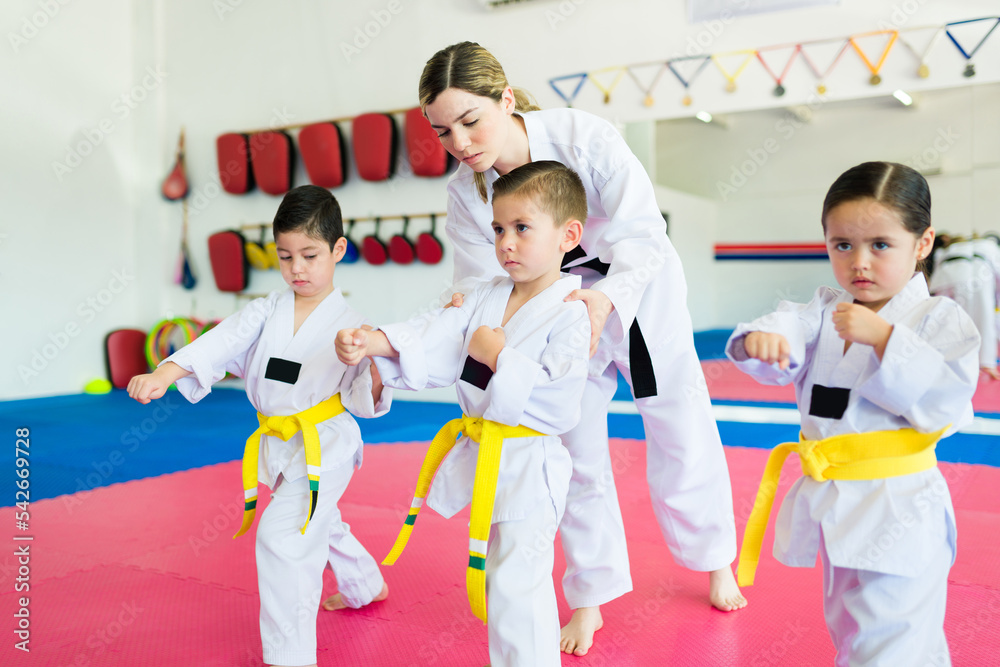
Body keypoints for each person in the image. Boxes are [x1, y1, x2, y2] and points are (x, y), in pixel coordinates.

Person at [418, 41, 745, 656]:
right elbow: (478, 284)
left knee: (678, 421)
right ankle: (589, 597)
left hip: (638, 290)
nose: (460, 143)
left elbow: (644, 232)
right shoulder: (467, 194)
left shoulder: (583, 137)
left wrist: (607, 300)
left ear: (506, 99)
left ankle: (714, 559)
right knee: (572, 446)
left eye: (470, 121)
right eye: (442, 131)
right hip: (552, 308)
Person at [336, 161, 591, 667]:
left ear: (569, 235)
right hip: (489, 457)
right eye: (499, 229)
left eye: (522, 228)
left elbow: (560, 399)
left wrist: (499, 358)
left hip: (528, 461)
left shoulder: (571, 312)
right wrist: (377, 343)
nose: (506, 243)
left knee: (520, 583)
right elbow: (436, 336)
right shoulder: (485, 295)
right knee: (503, 576)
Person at [127, 185, 390, 667]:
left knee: (283, 536)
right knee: (321, 521)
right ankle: (365, 584)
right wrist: (166, 372)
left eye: (310, 255)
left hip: (325, 445)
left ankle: (290, 657)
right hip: (278, 442)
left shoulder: (354, 324)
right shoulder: (266, 310)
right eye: (286, 256)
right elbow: (220, 342)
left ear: (338, 250)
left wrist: (371, 365)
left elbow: (366, 398)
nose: (297, 269)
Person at [726, 162, 978, 665]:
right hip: (836, 504)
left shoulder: (938, 318)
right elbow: (787, 325)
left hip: (899, 509)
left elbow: (948, 400)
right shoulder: (825, 309)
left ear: (922, 243)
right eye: (842, 245)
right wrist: (766, 340)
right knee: (855, 631)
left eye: (880, 245)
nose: (859, 262)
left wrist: (886, 339)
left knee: (888, 646)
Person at [929, 233, 1000, 379]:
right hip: (976, 277)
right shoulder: (990, 246)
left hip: (944, 278)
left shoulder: (947, 249)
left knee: (946, 321)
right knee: (984, 321)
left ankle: (944, 361)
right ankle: (987, 365)